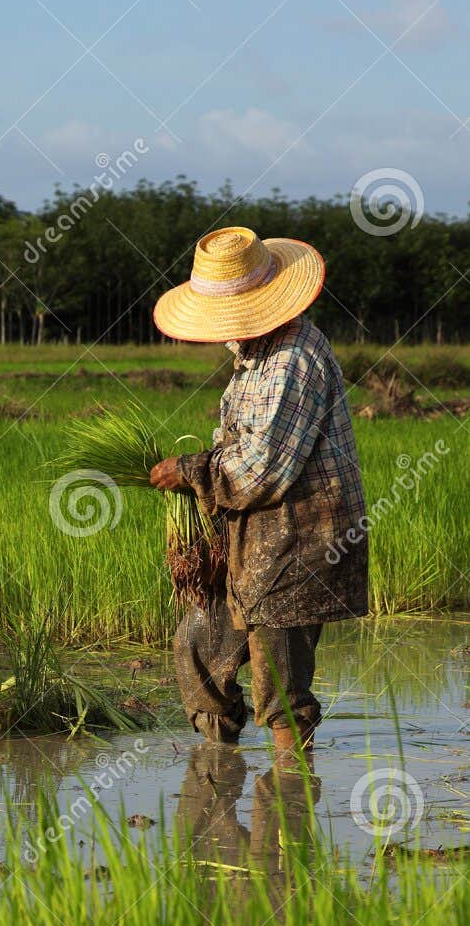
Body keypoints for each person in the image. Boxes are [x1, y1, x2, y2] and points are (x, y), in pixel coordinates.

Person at [148, 226, 368, 754]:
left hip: (302, 543)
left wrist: (193, 471)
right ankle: (218, 777)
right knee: (198, 645)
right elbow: (239, 446)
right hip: (253, 539)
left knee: (280, 684)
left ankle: (290, 804)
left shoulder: (295, 358)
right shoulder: (251, 355)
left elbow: (262, 470)